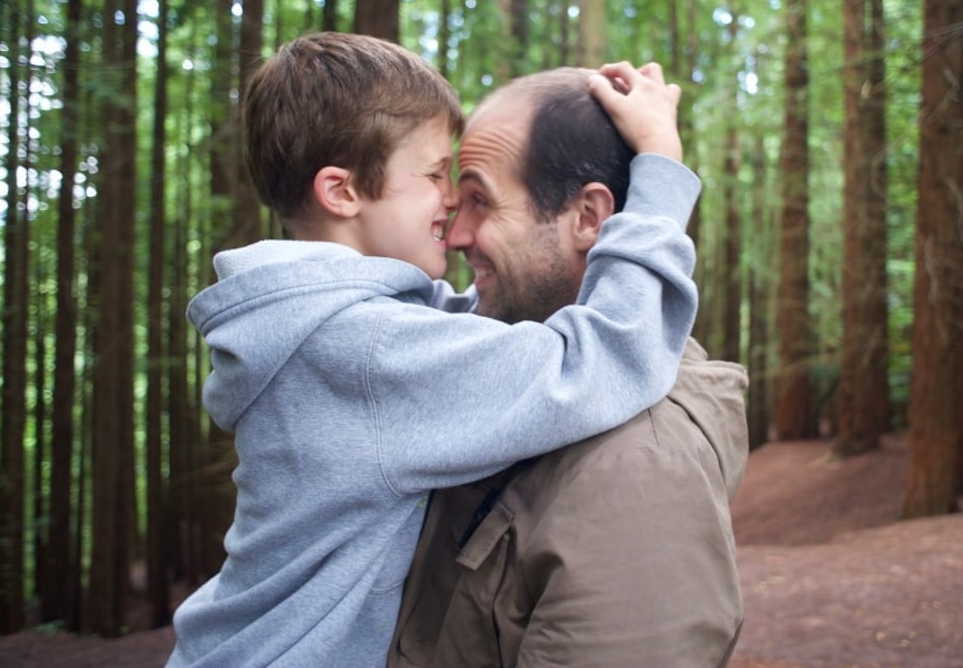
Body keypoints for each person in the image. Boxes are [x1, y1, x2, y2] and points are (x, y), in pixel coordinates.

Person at [166, 33, 702, 668]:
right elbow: (603, 360)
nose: (450, 200)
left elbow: (473, 332)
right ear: (341, 192)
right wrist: (662, 173)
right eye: (433, 175)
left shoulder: (326, 325)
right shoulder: (365, 351)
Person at [387, 67, 750, 668]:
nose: (455, 234)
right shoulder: (509, 384)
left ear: (589, 218)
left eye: (479, 198)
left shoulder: (640, 469)